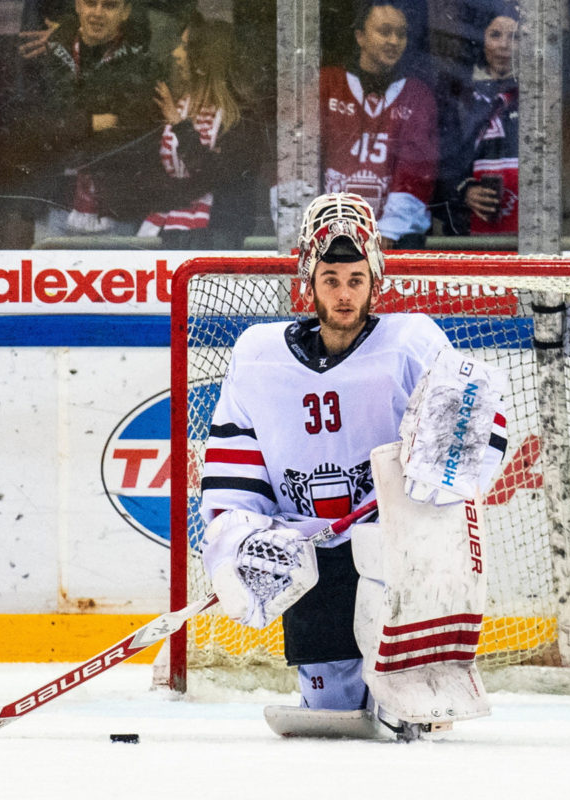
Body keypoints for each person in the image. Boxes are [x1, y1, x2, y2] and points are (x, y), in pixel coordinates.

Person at [197, 192, 507, 737]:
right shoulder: (258, 356)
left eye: (356, 280)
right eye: (331, 279)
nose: (344, 294)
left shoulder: (410, 343)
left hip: (394, 555)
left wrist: (437, 466)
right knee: (332, 718)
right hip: (310, 555)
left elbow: (483, 426)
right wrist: (245, 537)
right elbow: (233, 470)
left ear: (375, 280)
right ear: (308, 281)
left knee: (407, 715)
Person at [17, 0, 160, 240]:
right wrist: (91, 122)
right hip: (56, 204)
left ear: (126, 12)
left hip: (115, 207)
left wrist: (69, 125)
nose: (97, 13)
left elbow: (135, 129)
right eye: (90, 3)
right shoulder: (49, 54)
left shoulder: (142, 63)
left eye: (109, 6)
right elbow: (35, 126)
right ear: (77, 6)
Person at [137, 16, 267, 248]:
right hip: (163, 232)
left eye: (185, 47)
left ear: (204, 60)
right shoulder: (175, 104)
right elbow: (147, 176)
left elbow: (216, 175)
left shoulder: (243, 118)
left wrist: (181, 127)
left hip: (215, 239)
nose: (176, 53)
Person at [319, 1, 439, 249]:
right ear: (360, 36)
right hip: (329, 238)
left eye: (401, 34)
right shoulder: (327, 84)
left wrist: (390, 229)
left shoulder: (417, 94)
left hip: (394, 240)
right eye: (384, 32)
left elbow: (416, 170)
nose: (394, 41)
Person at [437, 2, 519, 237]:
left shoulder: (539, 94)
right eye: (495, 35)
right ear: (480, 39)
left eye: (515, 37)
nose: (504, 45)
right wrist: (461, 192)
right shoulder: (456, 92)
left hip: (526, 238)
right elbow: (434, 163)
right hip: (467, 236)